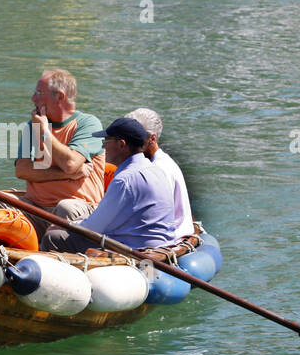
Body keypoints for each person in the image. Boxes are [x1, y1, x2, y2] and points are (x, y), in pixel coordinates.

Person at [43, 118, 178, 253]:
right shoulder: (157, 170)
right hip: (164, 245)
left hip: (137, 250)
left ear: (121, 144)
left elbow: (93, 228)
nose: (103, 147)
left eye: (105, 141)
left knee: (53, 237)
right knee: (74, 221)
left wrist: (65, 226)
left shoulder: (124, 180)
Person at [0, 68, 105, 230]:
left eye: (39, 93)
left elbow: (70, 163)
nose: (33, 98)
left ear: (60, 97)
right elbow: (22, 171)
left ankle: (54, 247)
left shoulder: (88, 124)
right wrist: (65, 174)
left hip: (77, 210)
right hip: (35, 208)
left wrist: (45, 132)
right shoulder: (33, 125)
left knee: (65, 207)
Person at [126, 107, 195, 238]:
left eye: (135, 137)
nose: (129, 142)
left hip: (167, 236)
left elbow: (156, 215)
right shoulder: (150, 163)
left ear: (152, 139)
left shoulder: (159, 169)